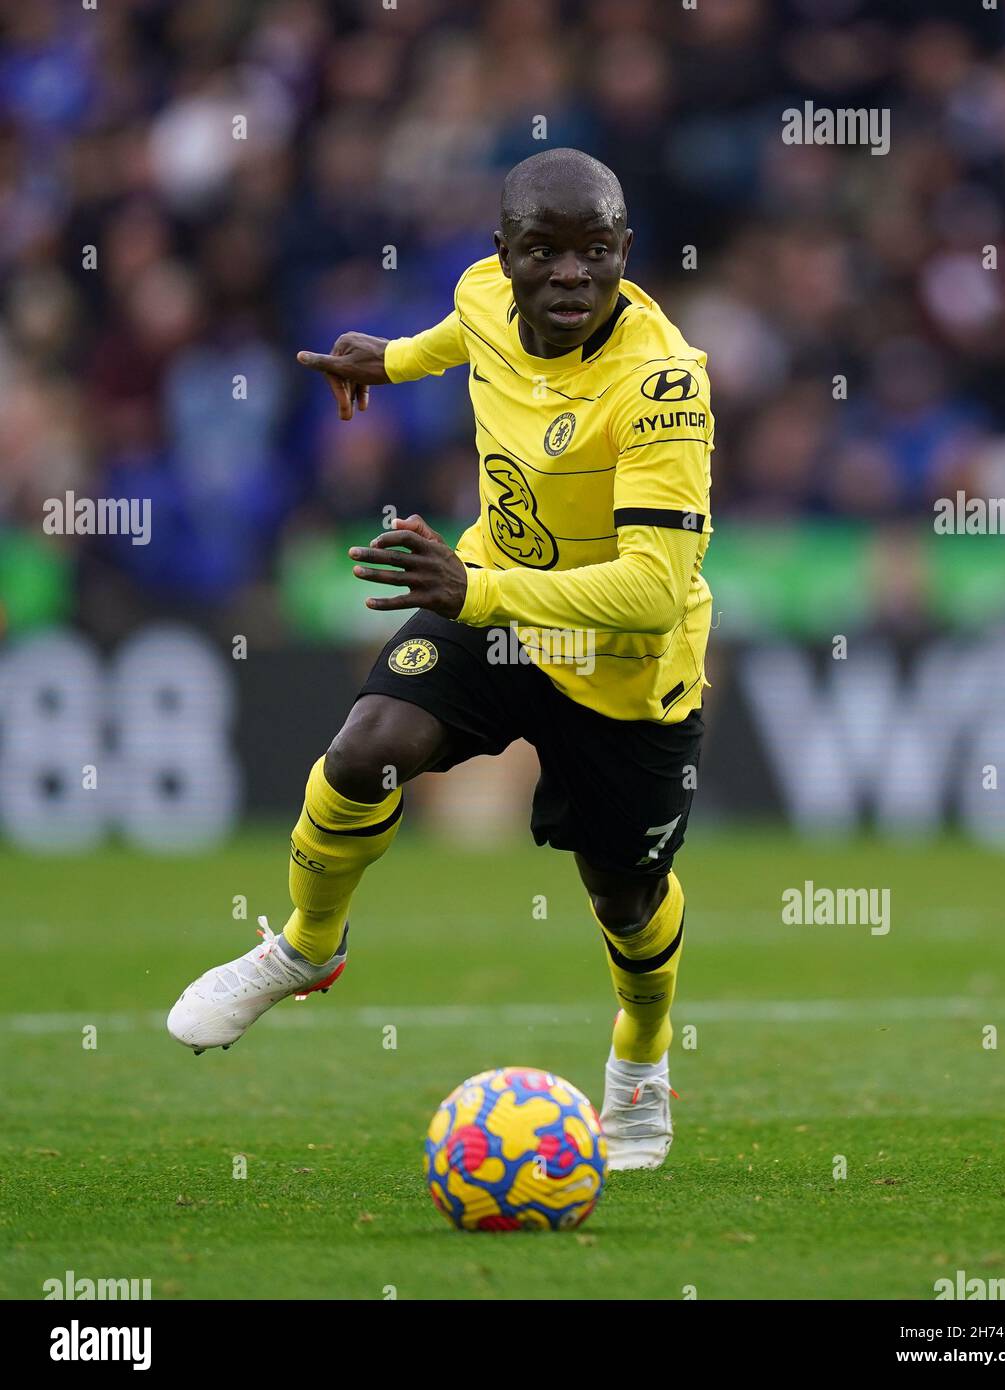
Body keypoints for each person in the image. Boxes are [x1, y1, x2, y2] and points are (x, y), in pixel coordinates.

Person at [168, 148, 714, 1170]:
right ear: (501, 253)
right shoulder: (479, 294)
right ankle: (304, 945)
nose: (568, 274)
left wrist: (478, 591)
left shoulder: (662, 383)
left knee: (623, 898)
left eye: (594, 251)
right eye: (541, 251)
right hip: (496, 608)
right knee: (367, 747)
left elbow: (647, 591)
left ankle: (640, 1059)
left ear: (624, 253)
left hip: (626, 665)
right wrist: (392, 360)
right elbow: (465, 333)